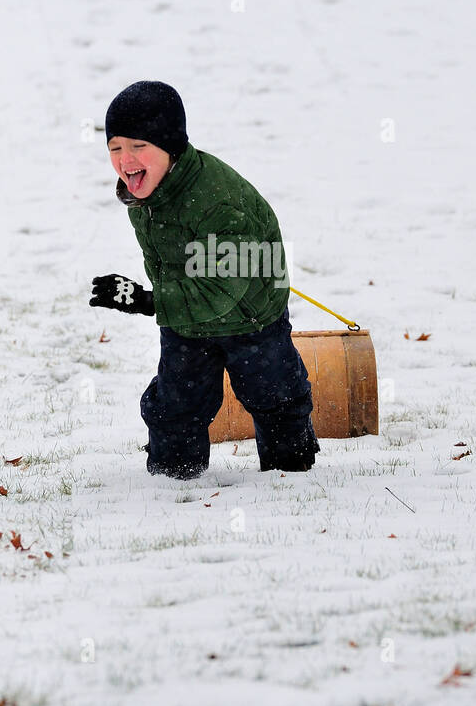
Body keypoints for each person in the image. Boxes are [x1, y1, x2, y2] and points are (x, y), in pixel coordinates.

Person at [89, 80, 320, 480]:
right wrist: (161, 300)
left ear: (170, 146)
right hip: (186, 319)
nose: (126, 160)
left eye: (139, 146)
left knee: (275, 397)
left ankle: (291, 476)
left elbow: (219, 292)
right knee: (176, 404)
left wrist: (147, 300)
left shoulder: (219, 202)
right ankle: (173, 477)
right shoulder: (144, 195)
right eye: (115, 148)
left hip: (250, 319)